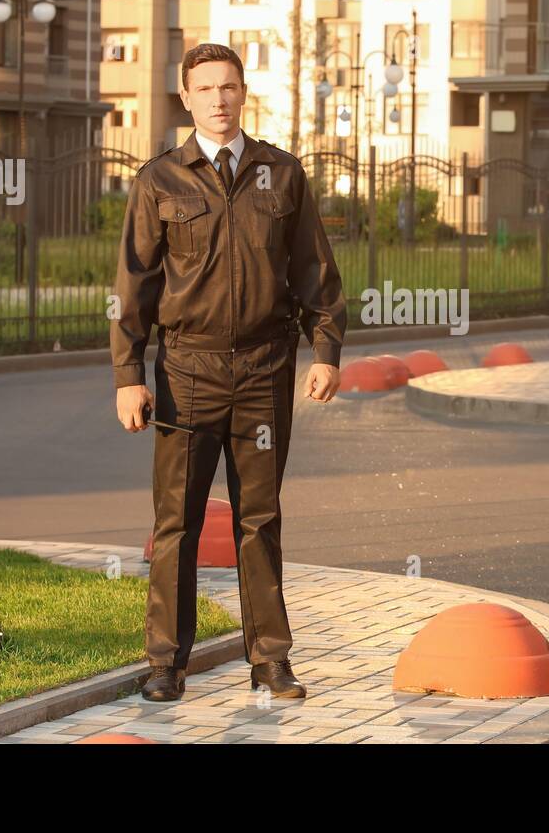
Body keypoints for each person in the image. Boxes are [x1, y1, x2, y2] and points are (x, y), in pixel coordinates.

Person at [111, 43, 347, 702]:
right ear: (185, 98)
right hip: (187, 371)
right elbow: (133, 285)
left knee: (260, 517)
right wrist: (129, 374)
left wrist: (325, 350)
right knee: (176, 521)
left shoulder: (283, 173)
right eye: (206, 88)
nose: (219, 98)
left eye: (230, 86)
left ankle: (270, 660)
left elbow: (315, 273)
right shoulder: (160, 180)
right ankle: (165, 662)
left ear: (245, 94)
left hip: (267, 369)